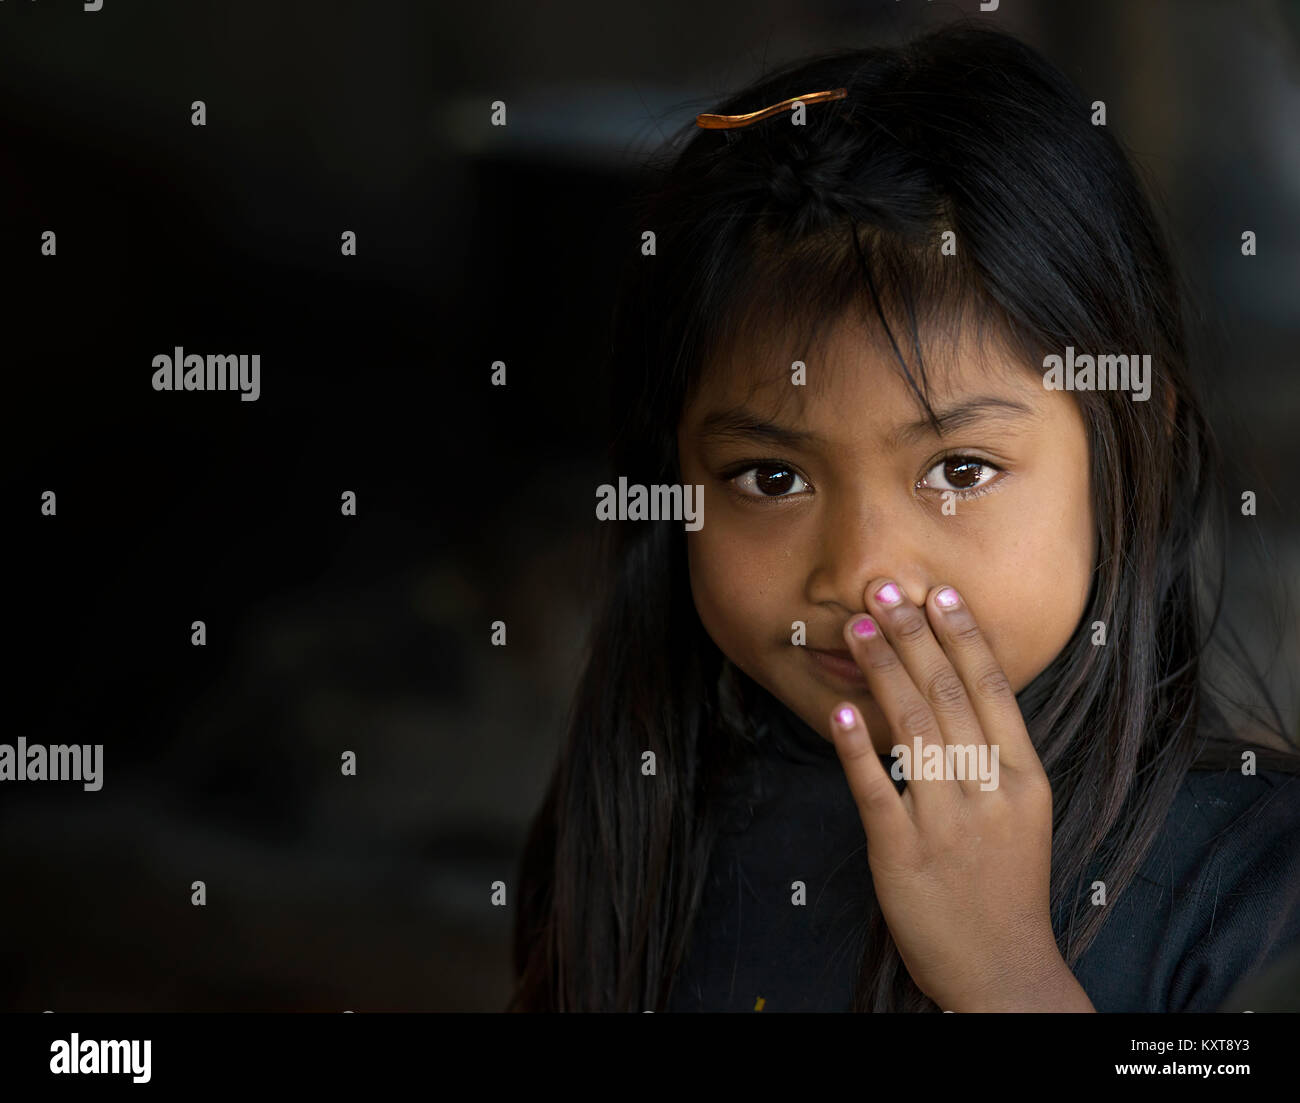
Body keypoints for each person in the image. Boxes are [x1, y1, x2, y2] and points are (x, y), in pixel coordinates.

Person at [507, 23, 1300, 1012]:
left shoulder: (1257, 892)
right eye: (767, 476)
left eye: (960, 468)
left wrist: (1004, 974)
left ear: (1130, 455)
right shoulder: (647, 825)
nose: (862, 571)